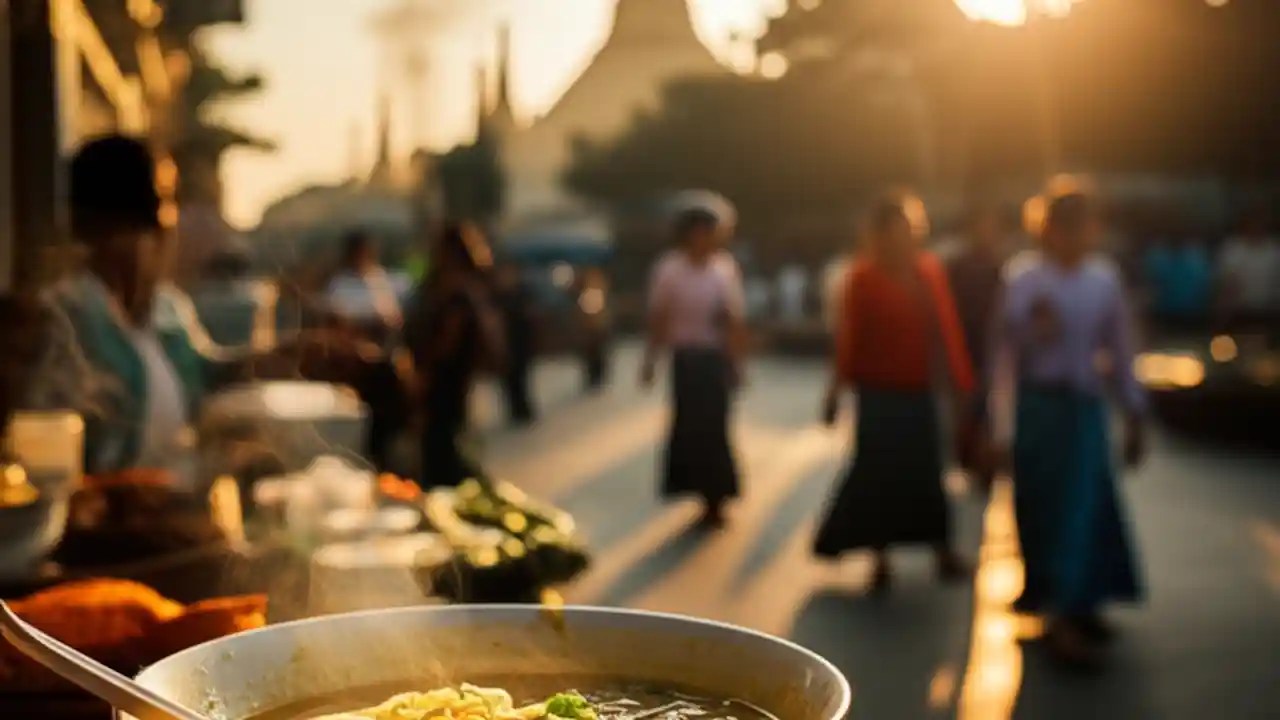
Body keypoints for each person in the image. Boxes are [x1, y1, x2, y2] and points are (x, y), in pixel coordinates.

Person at [989, 191, 1146, 667]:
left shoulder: (1103, 280)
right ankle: (1059, 614)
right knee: (1043, 508)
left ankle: (1081, 604)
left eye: (1086, 226)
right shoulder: (1023, 279)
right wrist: (996, 427)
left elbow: (1120, 348)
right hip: (1040, 410)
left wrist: (1135, 413)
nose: (1079, 236)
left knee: (1086, 508)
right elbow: (1003, 357)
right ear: (1049, 229)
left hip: (1085, 409)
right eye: (1069, 226)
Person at [814, 192, 974, 589]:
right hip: (877, 394)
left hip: (918, 391)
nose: (904, 238)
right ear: (880, 235)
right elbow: (849, 340)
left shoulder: (928, 271)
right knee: (878, 474)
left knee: (927, 473)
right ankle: (879, 557)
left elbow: (945, 330)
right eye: (895, 230)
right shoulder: (863, 278)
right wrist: (835, 391)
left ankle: (942, 551)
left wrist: (959, 381)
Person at [641, 200, 746, 529]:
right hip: (686, 359)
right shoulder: (669, 269)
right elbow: (659, 317)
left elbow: (732, 318)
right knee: (690, 426)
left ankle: (717, 497)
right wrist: (650, 360)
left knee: (716, 426)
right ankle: (697, 490)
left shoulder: (723, 268)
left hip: (713, 359)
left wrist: (737, 361)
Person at [406, 222, 505, 490]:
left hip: (445, 383)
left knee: (445, 452)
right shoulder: (459, 288)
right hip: (450, 383)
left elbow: (447, 342)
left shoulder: (455, 293)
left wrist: (423, 375)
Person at [945, 206, 1011, 484]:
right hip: (961, 347)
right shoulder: (956, 267)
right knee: (964, 408)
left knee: (986, 411)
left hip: (989, 350)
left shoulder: (1000, 268)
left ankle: (983, 464)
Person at [324, 230, 404, 346]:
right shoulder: (339, 283)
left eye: (366, 252)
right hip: (353, 345)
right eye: (359, 253)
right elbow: (337, 318)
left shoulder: (386, 279)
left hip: (386, 341)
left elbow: (395, 315)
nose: (363, 257)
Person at [1216, 208, 1279, 329]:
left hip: (1269, 311)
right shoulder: (1232, 248)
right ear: (1244, 225)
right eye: (1252, 223)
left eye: (1259, 224)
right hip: (1238, 312)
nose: (1255, 227)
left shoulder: (1274, 250)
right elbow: (1226, 284)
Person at [494, 262, 537, 425]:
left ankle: (523, 409)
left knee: (522, 377)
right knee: (509, 379)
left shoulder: (521, 294)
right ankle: (516, 410)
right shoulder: (499, 296)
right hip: (507, 344)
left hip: (520, 343)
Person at [1142, 234, 1212, 329]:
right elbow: (1206, 286)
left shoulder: (1165, 264)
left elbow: (1156, 284)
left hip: (1170, 311)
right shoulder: (1196, 264)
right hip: (1193, 311)